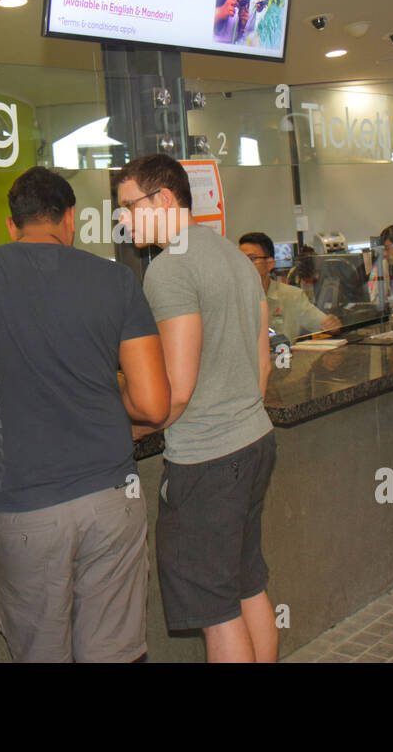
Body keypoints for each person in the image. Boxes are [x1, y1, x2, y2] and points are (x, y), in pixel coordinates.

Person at [0, 167, 169, 662]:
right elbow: (152, 404)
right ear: (71, 218)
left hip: (24, 508)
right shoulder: (116, 279)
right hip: (113, 498)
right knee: (114, 653)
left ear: (11, 224)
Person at [114, 154, 276, 663]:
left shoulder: (170, 269)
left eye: (128, 206)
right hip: (254, 440)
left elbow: (177, 391)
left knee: (215, 612)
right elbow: (262, 364)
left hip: (208, 461)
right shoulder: (232, 254)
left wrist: (135, 425)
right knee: (247, 586)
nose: (122, 220)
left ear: (163, 199)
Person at [239, 231, 339, 338]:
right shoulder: (231, 299)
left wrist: (331, 324)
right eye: (239, 260)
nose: (243, 265)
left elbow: (327, 326)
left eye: (251, 259)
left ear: (269, 264)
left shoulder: (292, 296)